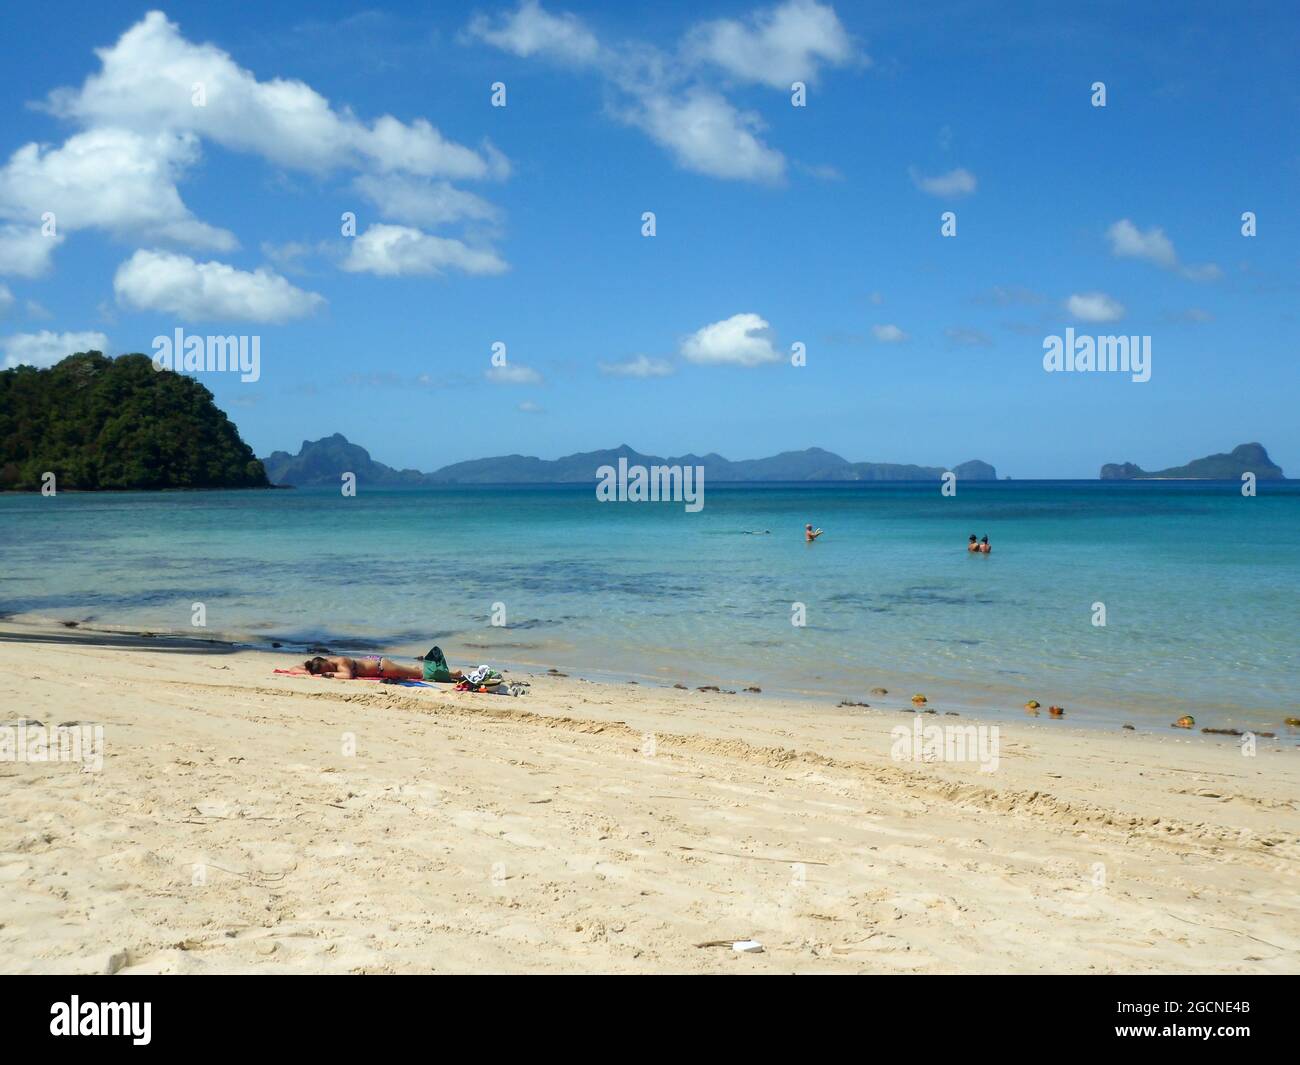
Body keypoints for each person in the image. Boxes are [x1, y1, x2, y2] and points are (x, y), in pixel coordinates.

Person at [302, 645, 464, 682]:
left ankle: (454, 675)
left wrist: (329, 674)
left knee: (423, 675)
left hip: (382, 667)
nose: (329, 669)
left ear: (326, 661)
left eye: (327, 667)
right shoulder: (331, 662)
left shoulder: (340, 662)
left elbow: (348, 676)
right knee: (415, 672)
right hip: (378, 665)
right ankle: (412, 669)